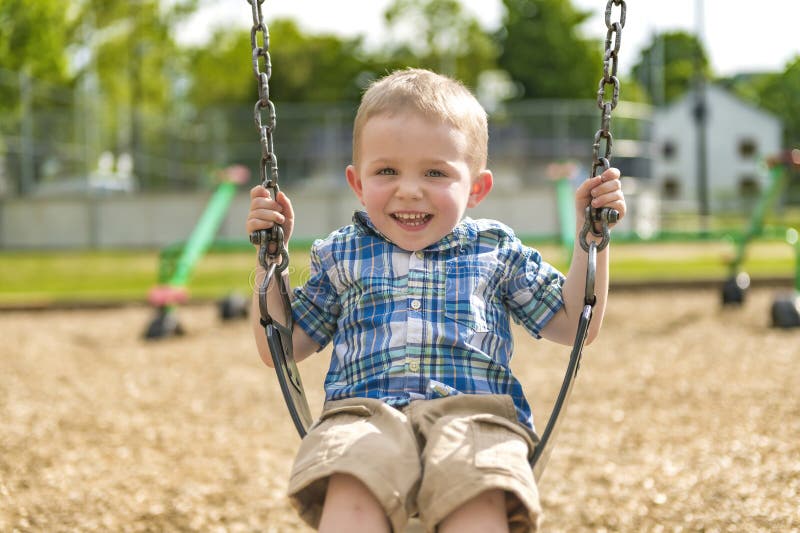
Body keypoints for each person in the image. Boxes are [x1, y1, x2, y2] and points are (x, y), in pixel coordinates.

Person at [245, 68, 625, 533]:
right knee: (351, 488)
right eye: (387, 171)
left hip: (474, 415)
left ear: (476, 188)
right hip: (364, 416)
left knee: (477, 495)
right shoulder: (341, 253)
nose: (409, 189)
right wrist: (270, 257)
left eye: (435, 173)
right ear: (358, 183)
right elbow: (281, 347)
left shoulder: (496, 250)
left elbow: (571, 322)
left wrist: (593, 238)